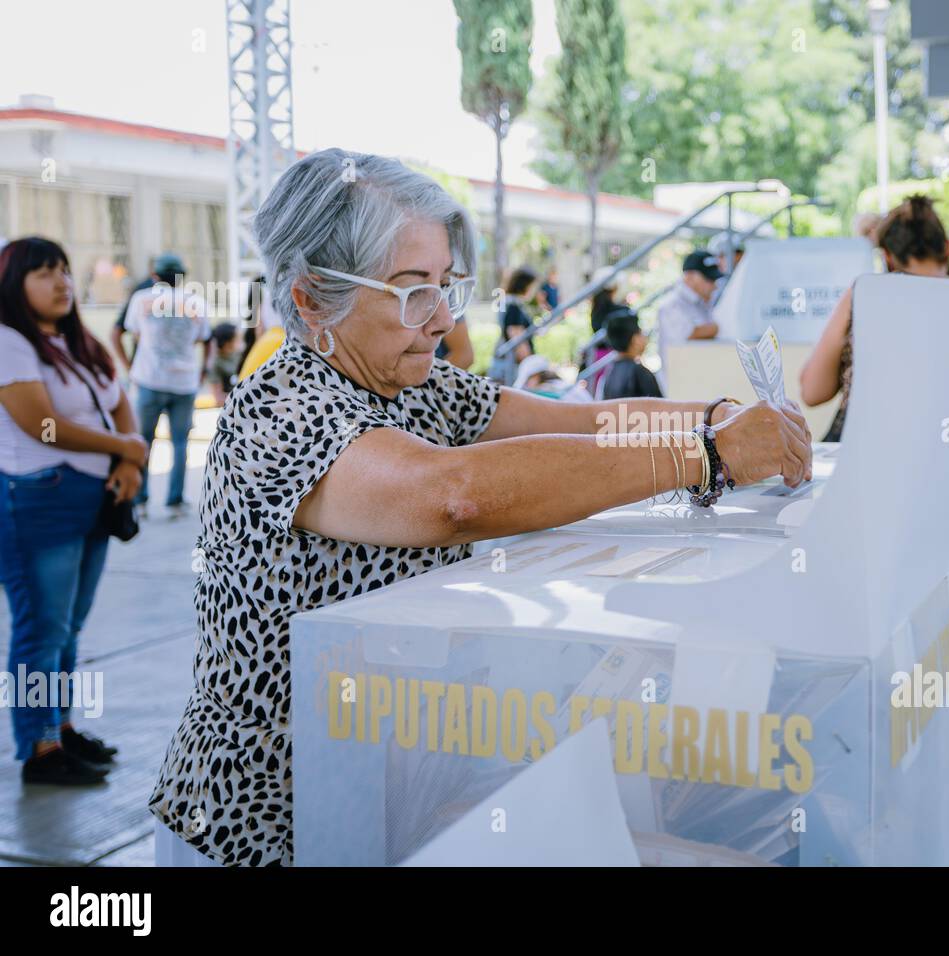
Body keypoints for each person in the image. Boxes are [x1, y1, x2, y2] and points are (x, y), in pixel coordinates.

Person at [148, 148, 812, 867]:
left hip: (393, 787)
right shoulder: (275, 411)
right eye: (411, 292)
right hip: (266, 816)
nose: (439, 319)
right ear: (311, 298)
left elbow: (579, 423)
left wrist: (712, 416)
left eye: (445, 286)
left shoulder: (415, 384)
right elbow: (449, 497)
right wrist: (704, 455)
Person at [0, 237, 147, 785]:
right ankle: (39, 750)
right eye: (43, 273)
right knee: (41, 629)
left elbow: (119, 401)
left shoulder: (77, 340)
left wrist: (130, 460)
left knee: (67, 627)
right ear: (15, 284)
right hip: (38, 501)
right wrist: (125, 449)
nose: (61, 282)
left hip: (92, 499)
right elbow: (41, 425)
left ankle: (58, 730)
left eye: (63, 270)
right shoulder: (9, 340)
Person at [801, 195, 949, 444]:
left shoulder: (864, 296)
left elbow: (812, 391)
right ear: (946, 248)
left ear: (888, 257)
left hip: (854, 465)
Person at [122, 256, 211, 519]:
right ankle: (174, 501)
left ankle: (140, 501)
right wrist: (202, 369)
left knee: (144, 440)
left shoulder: (141, 299)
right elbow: (204, 339)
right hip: (184, 382)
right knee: (181, 442)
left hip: (149, 379)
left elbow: (134, 332)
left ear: (155, 276)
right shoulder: (196, 301)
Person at [655, 250, 721, 394]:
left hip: (700, 385)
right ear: (689, 277)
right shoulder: (672, 305)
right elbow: (688, 334)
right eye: (709, 280)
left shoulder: (703, 303)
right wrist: (713, 329)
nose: (714, 286)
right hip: (677, 391)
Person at [109, 256, 172, 370]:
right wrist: (129, 368)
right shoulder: (143, 292)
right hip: (146, 372)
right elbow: (116, 333)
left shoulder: (175, 297)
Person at [487, 266, 540, 385]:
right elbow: (517, 338)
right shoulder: (514, 305)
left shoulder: (507, 301)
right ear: (525, 285)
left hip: (504, 364)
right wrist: (532, 368)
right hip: (511, 368)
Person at [600, 308, 663, 400]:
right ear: (635, 340)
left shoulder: (610, 373)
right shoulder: (639, 372)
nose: (644, 337)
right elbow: (661, 409)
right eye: (641, 333)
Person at [207, 322, 242, 404]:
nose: (239, 342)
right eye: (236, 339)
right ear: (227, 343)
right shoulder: (216, 364)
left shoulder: (239, 355)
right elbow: (218, 398)